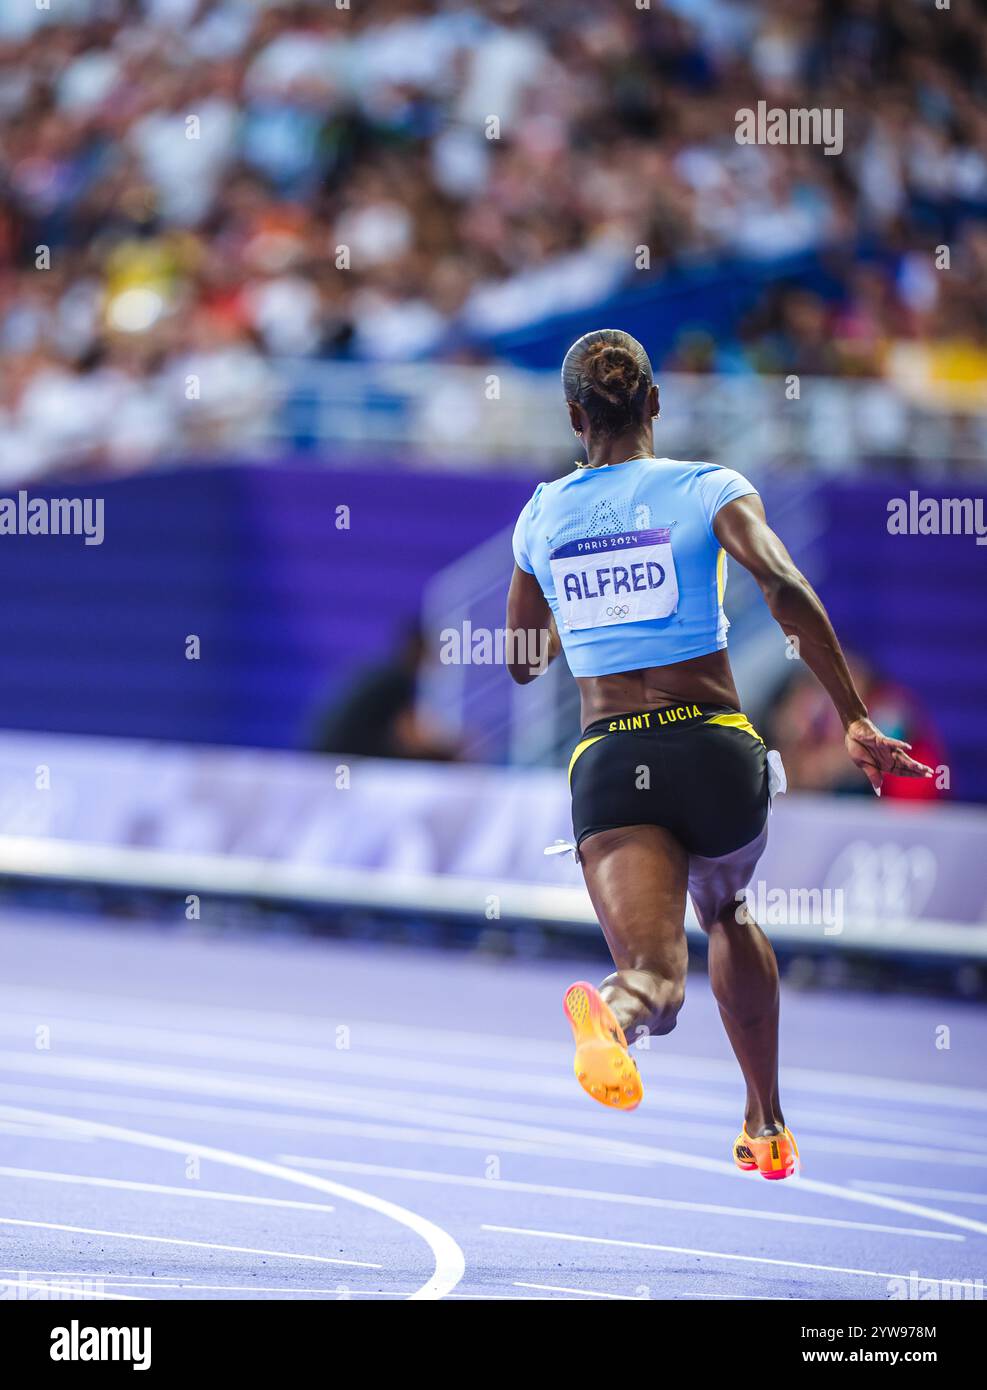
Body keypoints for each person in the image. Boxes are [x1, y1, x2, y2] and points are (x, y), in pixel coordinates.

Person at [505, 329, 932, 1180]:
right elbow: (784, 588)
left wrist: (581, 587)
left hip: (609, 761)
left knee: (656, 974)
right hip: (714, 748)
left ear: (572, 416)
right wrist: (849, 715)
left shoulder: (541, 515)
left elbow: (520, 661)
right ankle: (765, 1121)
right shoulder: (708, 488)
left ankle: (620, 1014)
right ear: (655, 404)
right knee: (728, 910)